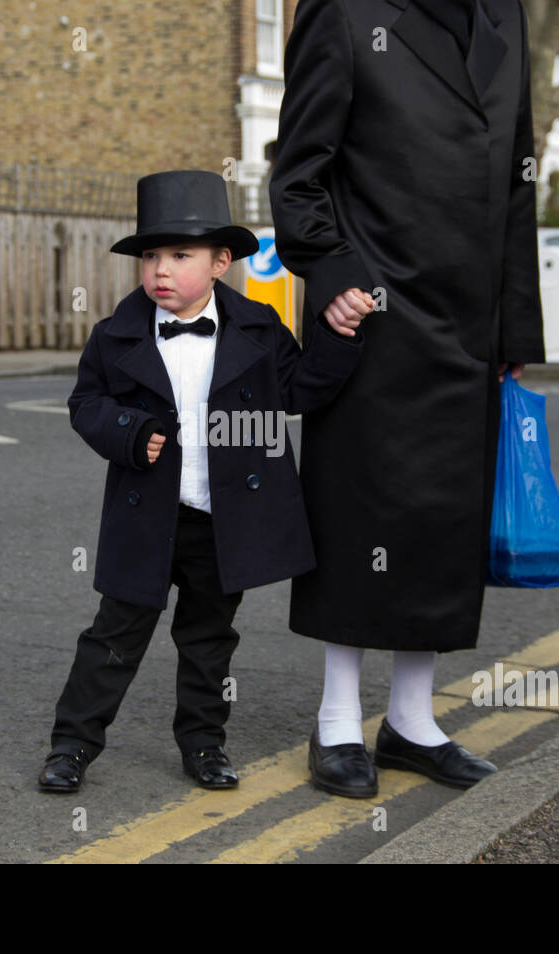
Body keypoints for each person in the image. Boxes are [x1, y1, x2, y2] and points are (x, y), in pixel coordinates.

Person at [269, 0, 547, 797]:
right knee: (360, 518)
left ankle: (411, 723)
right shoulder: (345, 9)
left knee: (441, 523)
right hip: (372, 313)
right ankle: (336, 720)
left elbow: (518, 180)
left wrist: (514, 328)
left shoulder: (504, 14)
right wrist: (333, 275)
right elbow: (298, 174)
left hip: (469, 325)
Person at [37, 170, 365, 793]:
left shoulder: (259, 327)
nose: (160, 270)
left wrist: (336, 334)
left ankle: (204, 745)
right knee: (115, 634)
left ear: (220, 263)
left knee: (209, 640)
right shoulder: (114, 335)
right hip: (147, 515)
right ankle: (72, 745)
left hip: (223, 518)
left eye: (180, 256)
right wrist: (129, 430)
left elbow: (300, 390)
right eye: (150, 257)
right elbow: (87, 404)